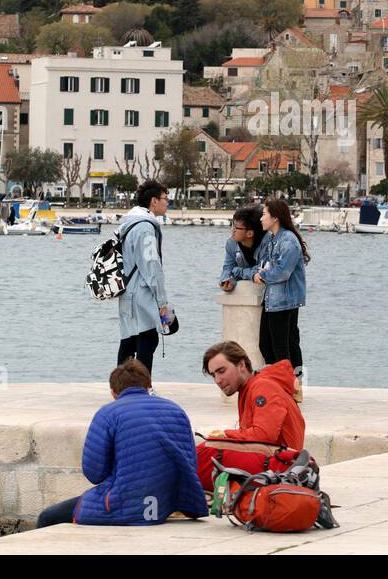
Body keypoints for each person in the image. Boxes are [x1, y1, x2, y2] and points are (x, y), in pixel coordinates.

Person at [35, 360, 206, 527]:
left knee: (47, 517)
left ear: (113, 393)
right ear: (148, 386)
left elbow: (94, 473)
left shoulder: (108, 414)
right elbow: (190, 462)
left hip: (126, 505)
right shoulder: (177, 411)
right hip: (167, 504)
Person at [195, 340, 305, 491]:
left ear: (241, 365)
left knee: (203, 454)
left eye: (221, 371)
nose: (218, 380)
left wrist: (225, 434)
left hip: (283, 466)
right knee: (202, 451)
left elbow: (264, 435)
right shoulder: (249, 388)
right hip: (276, 460)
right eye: (213, 375)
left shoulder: (263, 387)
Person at [117, 180, 170, 376]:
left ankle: (121, 388)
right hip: (142, 293)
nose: (167, 203)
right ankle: (142, 389)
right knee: (148, 339)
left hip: (128, 291)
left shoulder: (129, 223)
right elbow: (151, 266)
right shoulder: (145, 228)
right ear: (154, 201)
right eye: (165, 199)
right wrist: (162, 301)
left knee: (130, 341)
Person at [253, 198, 308, 383]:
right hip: (271, 300)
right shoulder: (271, 239)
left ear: (275, 217)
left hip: (285, 301)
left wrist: (263, 276)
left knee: (284, 347)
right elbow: (263, 261)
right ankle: (282, 383)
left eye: (264, 214)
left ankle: (292, 385)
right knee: (266, 345)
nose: (261, 218)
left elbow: (283, 272)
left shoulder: (288, 241)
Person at [219, 204, 263, 292]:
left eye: (236, 228)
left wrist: (237, 271)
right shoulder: (231, 243)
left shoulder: (266, 244)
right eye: (232, 226)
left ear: (249, 233)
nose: (232, 230)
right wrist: (226, 280)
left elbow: (260, 271)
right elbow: (228, 268)